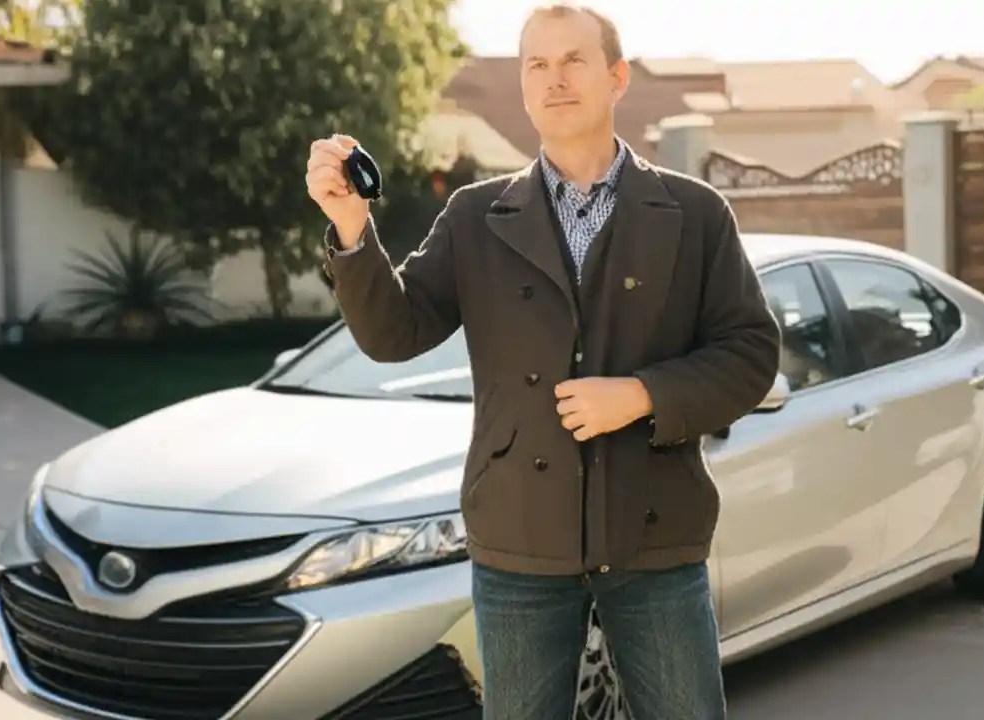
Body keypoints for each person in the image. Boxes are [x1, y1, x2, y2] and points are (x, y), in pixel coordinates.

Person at [305, 3, 780, 717]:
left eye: (573, 61)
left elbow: (751, 352)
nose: (554, 79)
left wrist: (643, 395)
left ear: (616, 78)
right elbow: (394, 333)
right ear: (524, 87)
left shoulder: (695, 212)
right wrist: (352, 229)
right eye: (537, 65)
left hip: (655, 535)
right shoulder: (474, 216)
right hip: (519, 541)